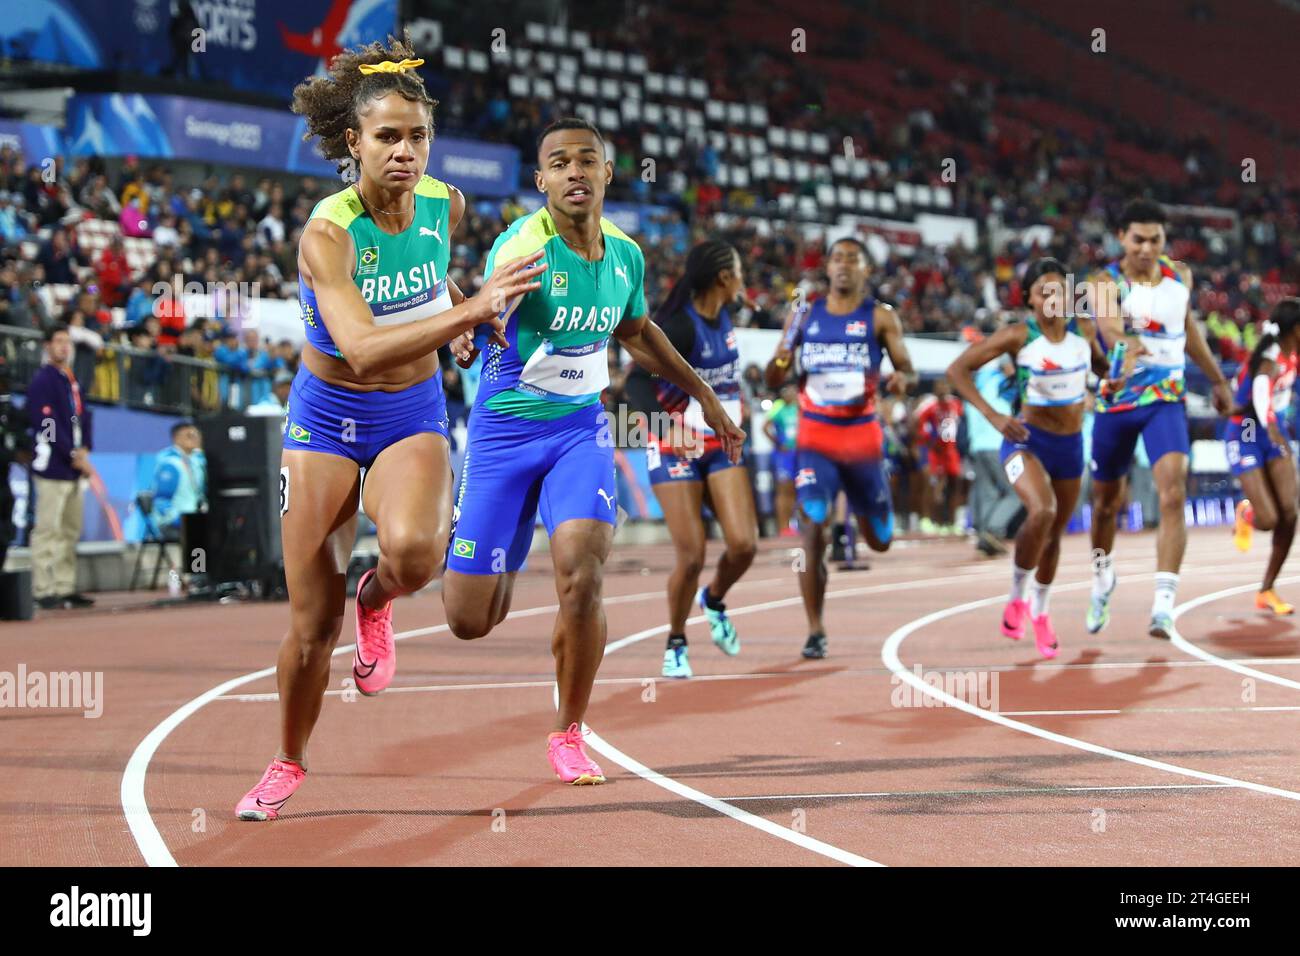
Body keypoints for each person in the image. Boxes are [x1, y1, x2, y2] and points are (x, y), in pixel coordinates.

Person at [235, 39, 546, 821]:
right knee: (311, 626)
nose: (404, 152)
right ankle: (287, 762)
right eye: (386, 138)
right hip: (326, 418)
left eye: (417, 137)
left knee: (416, 554)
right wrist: (471, 311)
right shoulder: (326, 234)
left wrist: (459, 308)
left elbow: (431, 272)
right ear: (354, 143)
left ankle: (378, 596)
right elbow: (365, 348)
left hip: (411, 412)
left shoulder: (449, 205)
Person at [444, 117, 744, 784]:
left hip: (579, 430)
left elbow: (638, 333)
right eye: (561, 163)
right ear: (541, 179)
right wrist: (467, 329)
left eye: (588, 161)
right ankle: (466, 559)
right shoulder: (520, 248)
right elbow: (483, 310)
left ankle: (569, 730)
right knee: (469, 619)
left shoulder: (627, 256)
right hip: (503, 433)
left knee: (582, 571)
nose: (575, 171)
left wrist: (706, 398)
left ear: (608, 174)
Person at [763, 236, 917, 659]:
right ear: (827, 268)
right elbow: (774, 379)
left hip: (863, 437)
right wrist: (784, 348)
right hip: (815, 436)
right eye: (837, 258)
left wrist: (902, 380)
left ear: (866, 270)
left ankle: (872, 512)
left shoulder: (881, 318)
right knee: (814, 522)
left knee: (881, 540)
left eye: (853, 259)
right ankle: (815, 629)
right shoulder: (805, 314)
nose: (844, 265)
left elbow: (908, 369)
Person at [948, 258, 1110, 658]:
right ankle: (1017, 595)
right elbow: (957, 371)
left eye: (1060, 291)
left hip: (1070, 446)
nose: (1054, 299)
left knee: (1054, 534)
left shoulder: (1084, 330)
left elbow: (1103, 368)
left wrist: (1112, 377)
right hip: (1026, 441)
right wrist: (994, 415)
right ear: (1030, 300)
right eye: (1044, 292)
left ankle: (1040, 611)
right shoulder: (1018, 335)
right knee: (1042, 512)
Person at [1087, 199, 1233, 639]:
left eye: (1156, 239)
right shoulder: (1102, 282)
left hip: (1165, 399)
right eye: (1139, 239)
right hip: (1116, 402)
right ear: (1121, 238)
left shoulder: (1180, 277)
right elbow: (1109, 326)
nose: (1147, 248)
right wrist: (1126, 343)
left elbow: (1189, 330)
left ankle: (1164, 605)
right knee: (1105, 505)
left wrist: (1218, 381)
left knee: (1172, 494)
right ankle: (1102, 577)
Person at [626, 239, 758, 679]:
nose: (744, 279)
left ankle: (715, 599)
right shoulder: (680, 326)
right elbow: (637, 385)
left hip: (720, 442)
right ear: (723, 277)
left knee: (744, 544)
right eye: (739, 270)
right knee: (692, 554)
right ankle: (676, 641)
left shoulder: (725, 315)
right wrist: (668, 429)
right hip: (673, 442)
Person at [1228, 299, 1300, 614]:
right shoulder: (1269, 358)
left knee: (1290, 512)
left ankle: (1267, 589)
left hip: (1274, 430)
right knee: (1269, 519)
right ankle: (1248, 514)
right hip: (1246, 431)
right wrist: (1269, 425)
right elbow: (1260, 387)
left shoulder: (1292, 352)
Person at [26, 325, 94, 610]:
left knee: (69, 530)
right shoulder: (44, 380)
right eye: (58, 341)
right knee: (48, 529)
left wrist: (85, 448)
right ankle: (43, 588)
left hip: (73, 468)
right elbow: (46, 423)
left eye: (67, 342)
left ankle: (65, 586)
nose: (64, 347)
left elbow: (83, 415)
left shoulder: (71, 379)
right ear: (47, 346)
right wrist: (70, 453)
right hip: (52, 466)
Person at [915, 378, 964, 534]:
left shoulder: (956, 404)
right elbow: (916, 423)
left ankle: (951, 521)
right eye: (939, 386)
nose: (943, 389)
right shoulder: (928, 404)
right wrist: (926, 442)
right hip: (934, 451)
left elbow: (961, 424)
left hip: (951, 450)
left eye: (946, 386)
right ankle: (927, 520)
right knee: (932, 485)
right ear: (935, 389)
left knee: (954, 484)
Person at [148, 420, 207, 533]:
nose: (195, 438)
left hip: (194, 519)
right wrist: (177, 520)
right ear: (177, 438)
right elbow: (161, 499)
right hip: (174, 524)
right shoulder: (170, 464)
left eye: (196, 435)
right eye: (189, 435)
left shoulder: (197, 462)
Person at [764, 383, 800, 536]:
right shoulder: (778, 406)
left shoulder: (801, 405)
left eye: (791, 389)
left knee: (800, 490)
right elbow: (765, 427)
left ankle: (798, 525)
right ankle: (783, 527)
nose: (788, 393)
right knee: (784, 491)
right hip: (784, 455)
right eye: (784, 390)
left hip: (800, 453)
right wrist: (778, 442)